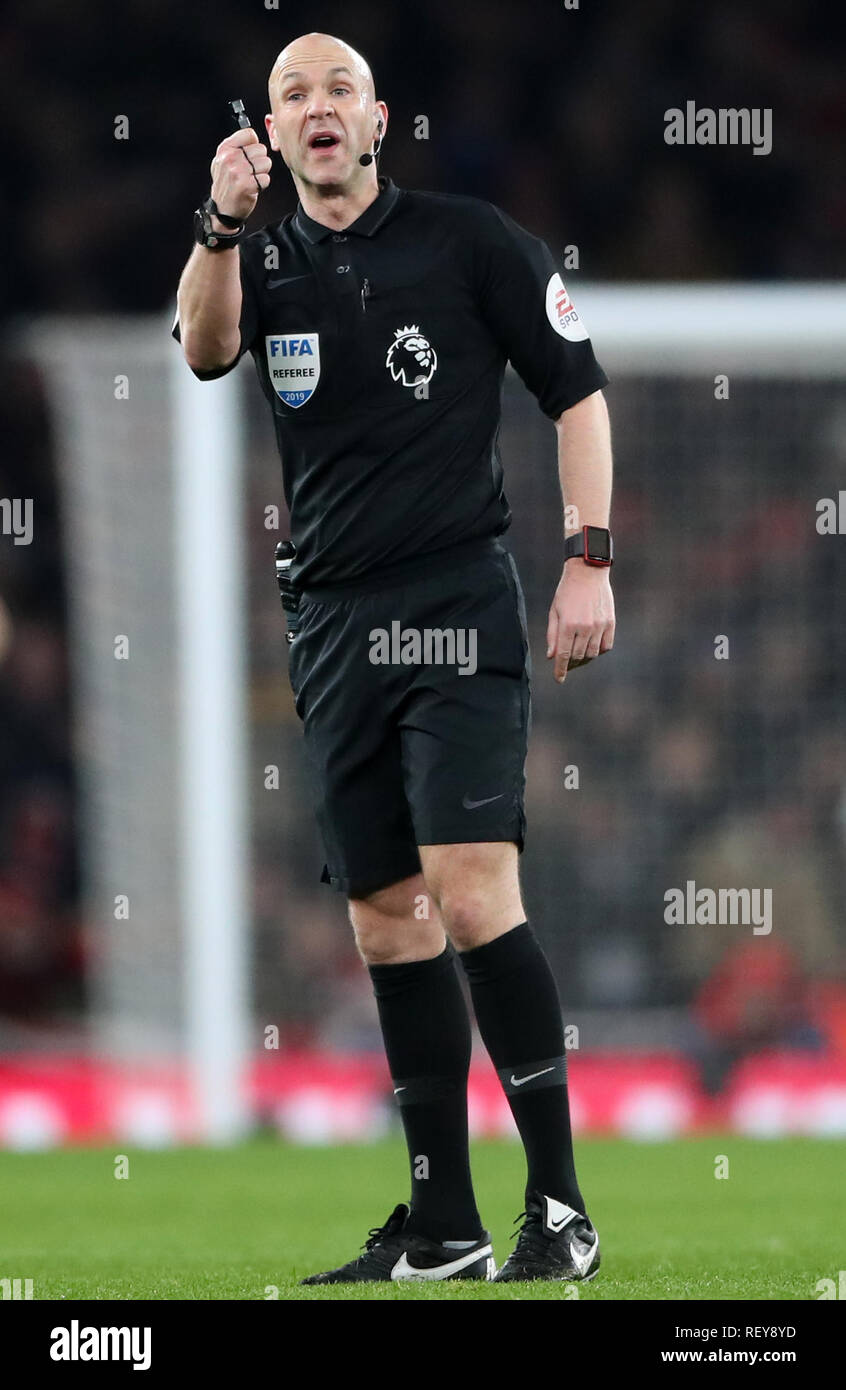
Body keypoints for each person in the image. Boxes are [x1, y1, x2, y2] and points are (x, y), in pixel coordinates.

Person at [172, 31, 615, 1284]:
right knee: (384, 920)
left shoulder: (473, 243)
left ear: (380, 121)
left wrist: (590, 555)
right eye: (292, 95)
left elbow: (576, 389)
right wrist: (215, 224)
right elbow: (204, 353)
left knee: (472, 887)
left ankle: (563, 1211)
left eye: (339, 91)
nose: (318, 108)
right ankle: (445, 1223)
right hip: (329, 617)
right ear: (272, 129)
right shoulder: (255, 256)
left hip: (455, 598)